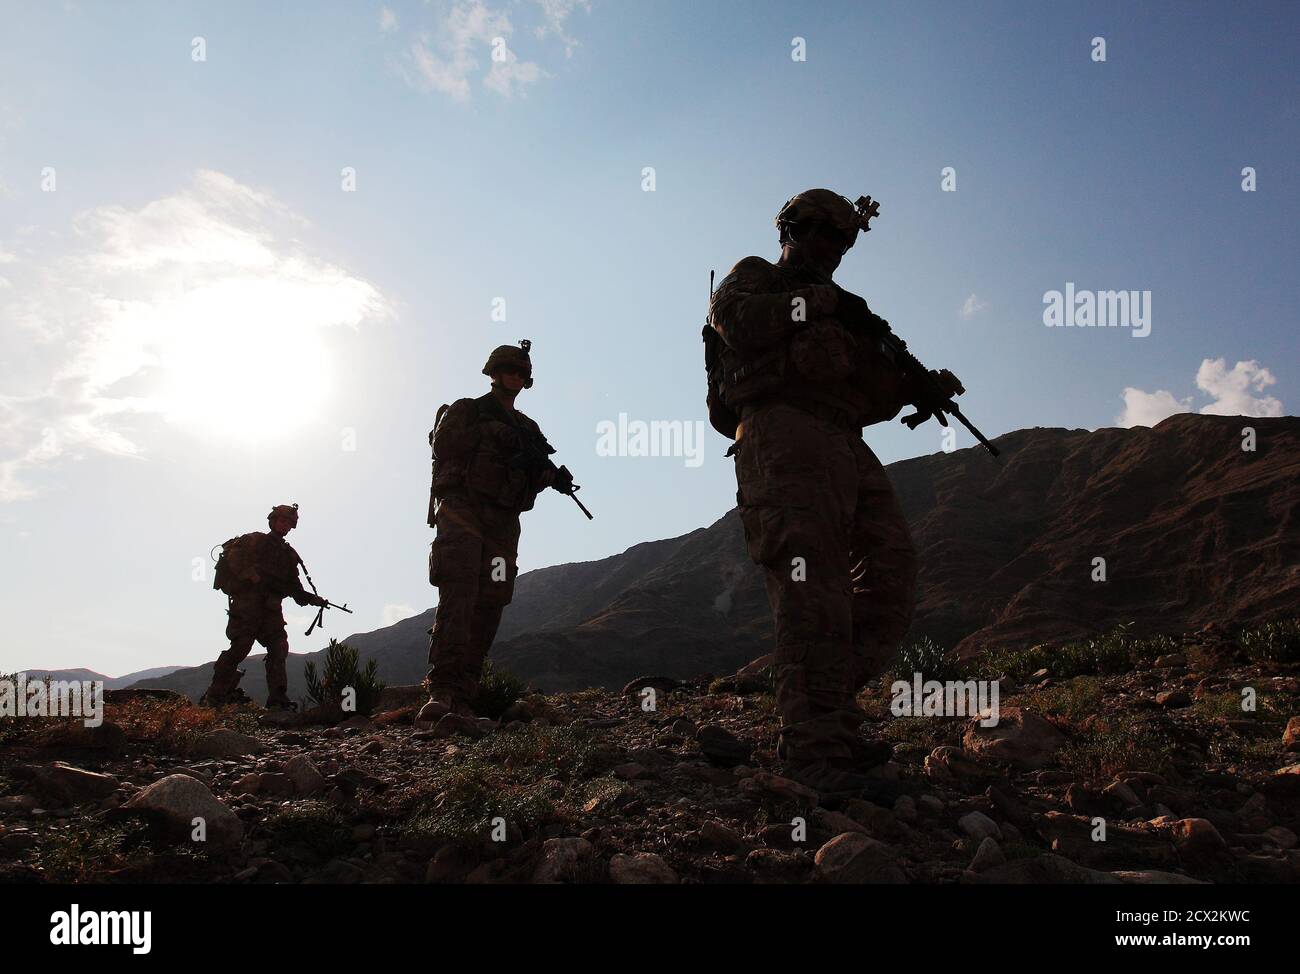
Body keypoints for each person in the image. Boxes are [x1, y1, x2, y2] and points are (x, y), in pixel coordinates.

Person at [707, 189, 964, 797]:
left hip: (841, 438)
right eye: (823, 233)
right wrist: (814, 302)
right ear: (792, 228)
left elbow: (861, 389)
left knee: (892, 571)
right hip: (781, 431)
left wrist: (914, 389)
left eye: (844, 240)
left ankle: (826, 713)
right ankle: (815, 745)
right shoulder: (759, 278)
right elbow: (736, 322)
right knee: (811, 582)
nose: (834, 249)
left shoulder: (851, 312)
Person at [418, 341, 574, 727]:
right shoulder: (467, 409)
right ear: (493, 372)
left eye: (521, 373)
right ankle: (443, 690)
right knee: (460, 589)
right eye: (508, 370)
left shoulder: (528, 428)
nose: (515, 378)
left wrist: (551, 476)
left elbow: (533, 472)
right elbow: (444, 445)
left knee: (492, 599)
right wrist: (493, 434)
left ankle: (465, 694)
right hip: (462, 511)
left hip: (503, 522)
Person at [201, 503, 328, 709]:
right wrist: (251, 575)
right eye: (281, 520)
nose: (284, 525)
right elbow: (234, 558)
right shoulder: (255, 540)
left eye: (288, 522)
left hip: (270, 609)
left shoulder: (289, 554)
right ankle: (215, 696)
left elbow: (295, 589)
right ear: (272, 520)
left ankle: (278, 699)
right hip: (247, 605)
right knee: (241, 647)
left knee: (279, 648)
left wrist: (314, 599)